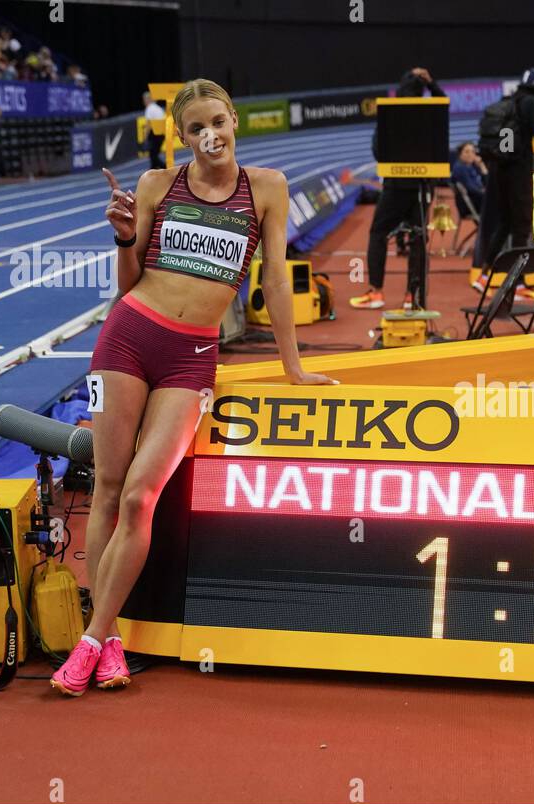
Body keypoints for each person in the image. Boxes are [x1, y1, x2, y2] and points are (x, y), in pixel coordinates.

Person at [52, 79, 336, 696]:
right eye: (196, 128)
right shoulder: (158, 186)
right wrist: (125, 236)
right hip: (127, 338)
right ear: (182, 139)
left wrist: (294, 365)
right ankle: (107, 640)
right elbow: (126, 285)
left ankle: (92, 638)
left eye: (218, 121)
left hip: (192, 357)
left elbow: (279, 283)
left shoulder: (267, 189)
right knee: (105, 488)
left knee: (138, 497)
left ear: (235, 119)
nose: (211, 134)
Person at [350, 67, 445, 310]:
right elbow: (442, 107)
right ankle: (411, 297)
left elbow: (377, 150)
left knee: (378, 232)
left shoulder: (390, 112)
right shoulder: (431, 113)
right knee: (418, 237)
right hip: (424, 186)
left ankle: (376, 292)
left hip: (395, 186)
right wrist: (432, 84)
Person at [477, 67, 534, 284]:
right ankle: (518, 282)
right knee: (522, 227)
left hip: (500, 171)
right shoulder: (531, 103)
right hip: (518, 174)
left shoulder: (510, 101)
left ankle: (484, 274)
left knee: (505, 223)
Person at [451, 141, 486, 215]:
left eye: (473, 152)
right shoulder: (460, 168)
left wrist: (482, 166)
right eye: (467, 152)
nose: (470, 155)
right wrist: (487, 193)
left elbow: (487, 183)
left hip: (478, 200)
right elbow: (471, 188)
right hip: (469, 205)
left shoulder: (473, 167)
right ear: (460, 154)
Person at [143, 91, 166, 169]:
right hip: (161, 134)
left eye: (144, 99)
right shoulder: (158, 108)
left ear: (148, 99)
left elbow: (148, 124)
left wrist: (145, 136)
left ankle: (165, 168)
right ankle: (153, 170)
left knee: (153, 155)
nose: (144, 102)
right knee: (153, 155)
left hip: (155, 134)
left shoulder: (149, 108)